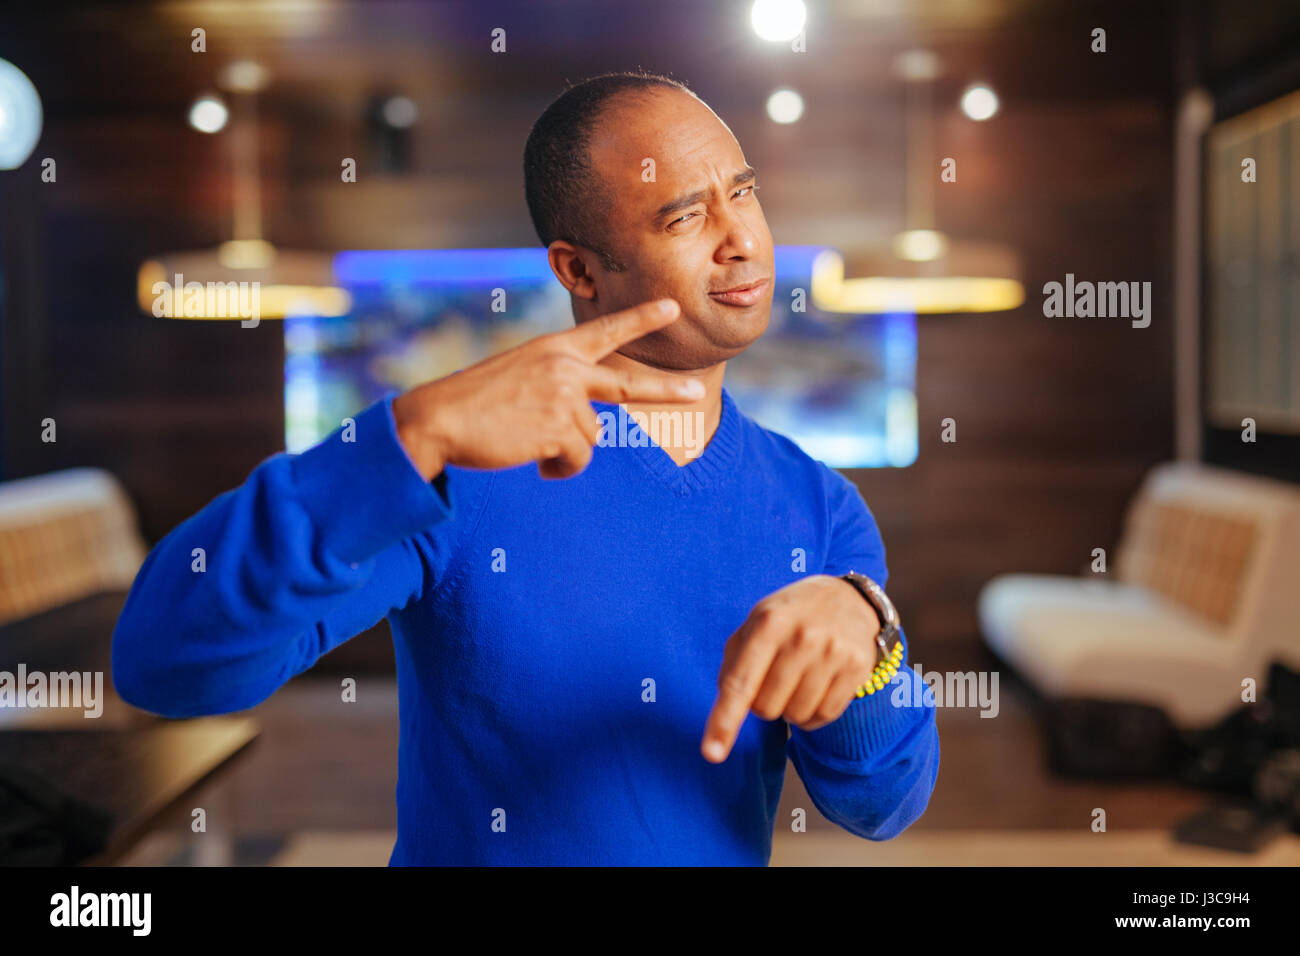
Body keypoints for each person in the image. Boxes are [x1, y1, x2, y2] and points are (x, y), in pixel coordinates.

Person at [112, 70, 939, 865]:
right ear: (579, 270)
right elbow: (166, 666)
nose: (742, 240)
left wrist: (873, 645)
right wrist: (407, 437)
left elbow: (881, 806)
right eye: (685, 218)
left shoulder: (820, 505)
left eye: (744, 191)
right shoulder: (459, 467)